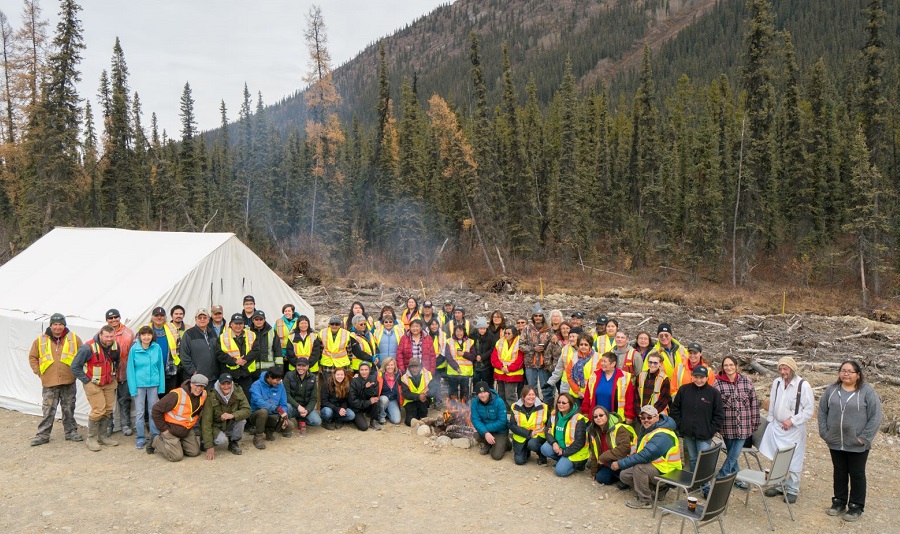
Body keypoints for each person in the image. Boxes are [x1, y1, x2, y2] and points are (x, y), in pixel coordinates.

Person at [818, 360, 882, 522]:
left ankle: (856, 506)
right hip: (835, 440)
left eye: (850, 371)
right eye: (843, 370)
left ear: (858, 375)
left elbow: (876, 416)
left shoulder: (867, 391)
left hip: (857, 443)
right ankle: (838, 502)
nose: (846, 374)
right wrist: (825, 433)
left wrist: (864, 438)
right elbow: (822, 411)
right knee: (839, 472)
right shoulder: (832, 390)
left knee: (857, 474)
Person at [759, 356, 814, 504]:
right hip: (777, 427)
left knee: (794, 459)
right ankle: (778, 484)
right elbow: (773, 403)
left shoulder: (803, 386)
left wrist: (792, 421)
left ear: (792, 369)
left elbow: (809, 410)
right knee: (777, 456)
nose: (783, 372)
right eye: (781, 369)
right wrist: (770, 421)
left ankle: (792, 489)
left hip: (794, 430)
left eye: (786, 369)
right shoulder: (777, 383)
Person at [28, 313, 83, 445]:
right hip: (49, 382)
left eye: (60, 324)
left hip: (68, 380)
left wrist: (77, 372)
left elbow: (83, 355)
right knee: (48, 410)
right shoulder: (40, 340)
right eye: (55, 324)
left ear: (64, 325)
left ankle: (71, 432)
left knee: (69, 408)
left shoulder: (74, 338)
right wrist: (39, 372)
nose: (58, 327)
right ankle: (43, 435)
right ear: (51, 325)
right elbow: (32, 357)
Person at [613, 405, 680, 509]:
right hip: (657, 467)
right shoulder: (649, 429)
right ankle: (659, 489)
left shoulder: (663, 434)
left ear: (657, 417)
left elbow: (645, 455)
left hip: (668, 471)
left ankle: (645, 500)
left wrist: (620, 463)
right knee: (624, 475)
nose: (646, 420)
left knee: (639, 467)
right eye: (643, 418)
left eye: (649, 417)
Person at [71, 325, 121, 451]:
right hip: (93, 383)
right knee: (98, 410)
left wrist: (113, 375)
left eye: (111, 336)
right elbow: (75, 366)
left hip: (109, 382)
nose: (109, 339)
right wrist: (86, 381)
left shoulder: (115, 346)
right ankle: (91, 438)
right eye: (107, 336)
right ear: (100, 335)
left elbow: (116, 361)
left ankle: (102, 436)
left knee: (108, 409)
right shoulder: (87, 348)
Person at [714, 355, 760, 486]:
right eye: (726, 365)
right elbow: (714, 406)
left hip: (744, 426)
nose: (729, 368)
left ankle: (721, 476)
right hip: (727, 426)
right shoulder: (717, 383)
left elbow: (754, 403)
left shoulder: (746, 381)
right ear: (722, 368)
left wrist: (754, 422)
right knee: (732, 454)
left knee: (733, 454)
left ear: (736, 367)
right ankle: (737, 478)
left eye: (731, 365)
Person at [670, 365, 724, 473]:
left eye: (702, 377)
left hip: (704, 434)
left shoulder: (714, 393)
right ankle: (696, 483)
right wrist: (681, 425)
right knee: (693, 458)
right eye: (696, 377)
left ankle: (705, 485)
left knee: (704, 460)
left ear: (707, 378)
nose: (698, 380)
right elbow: (675, 409)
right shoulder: (684, 390)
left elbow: (719, 415)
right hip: (687, 432)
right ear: (692, 376)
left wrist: (711, 430)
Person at [148, 374, 208, 460]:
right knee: (176, 457)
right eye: (197, 385)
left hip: (187, 430)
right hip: (171, 430)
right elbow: (156, 409)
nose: (199, 389)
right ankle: (155, 440)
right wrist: (164, 429)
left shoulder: (204, 395)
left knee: (194, 452)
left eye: (202, 386)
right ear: (191, 384)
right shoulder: (177, 394)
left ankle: (177, 445)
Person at [126, 326, 166, 449]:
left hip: (153, 383)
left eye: (149, 334)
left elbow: (160, 367)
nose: (146, 337)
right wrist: (132, 388)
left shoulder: (156, 348)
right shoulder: (134, 349)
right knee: (139, 412)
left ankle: (154, 436)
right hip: (139, 385)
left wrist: (161, 387)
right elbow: (130, 370)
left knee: (153, 411)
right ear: (140, 336)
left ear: (152, 336)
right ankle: (141, 437)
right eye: (144, 335)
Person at [201, 372, 251, 458]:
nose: (226, 386)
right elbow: (206, 422)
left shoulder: (238, 391)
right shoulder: (211, 395)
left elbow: (247, 410)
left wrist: (233, 415)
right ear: (219, 384)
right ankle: (205, 441)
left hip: (230, 422)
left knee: (242, 420)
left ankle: (233, 442)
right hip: (216, 425)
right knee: (221, 440)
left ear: (232, 383)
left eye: (228, 384)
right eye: (223, 384)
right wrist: (209, 446)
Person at [540, 392, 589, 477]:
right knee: (544, 448)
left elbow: (579, 443)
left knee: (560, 472)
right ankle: (563, 461)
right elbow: (548, 430)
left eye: (564, 403)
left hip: (574, 452)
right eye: (559, 402)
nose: (560, 405)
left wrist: (564, 452)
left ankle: (578, 464)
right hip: (560, 447)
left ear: (570, 404)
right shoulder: (554, 414)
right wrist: (554, 443)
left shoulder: (578, 419)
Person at [581, 351, 636, 424]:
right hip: (597, 418)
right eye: (601, 361)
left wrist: (629, 415)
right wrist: (585, 411)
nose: (602, 364)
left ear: (613, 363)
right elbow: (587, 395)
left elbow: (630, 399)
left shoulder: (624, 377)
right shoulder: (594, 375)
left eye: (605, 361)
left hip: (616, 418)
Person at [587, 405, 636, 485]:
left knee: (614, 469)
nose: (598, 418)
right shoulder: (594, 431)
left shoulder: (619, 428)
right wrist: (594, 472)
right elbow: (594, 453)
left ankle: (625, 479)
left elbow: (624, 449)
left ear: (607, 415)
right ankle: (620, 478)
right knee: (600, 478)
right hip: (608, 461)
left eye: (601, 415)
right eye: (595, 417)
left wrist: (603, 457)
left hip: (624, 460)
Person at [105, 308, 135, 437]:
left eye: (116, 317)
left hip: (124, 372)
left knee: (125, 400)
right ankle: (108, 425)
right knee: (108, 401)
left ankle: (125, 424)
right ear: (107, 320)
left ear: (120, 318)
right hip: (107, 374)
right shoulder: (102, 333)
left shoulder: (128, 333)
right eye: (110, 318)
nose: (113, 320)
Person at [547, 333, 598, 406]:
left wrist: (587, 393)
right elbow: (569, 375)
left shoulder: (598, 357)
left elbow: (598, 378)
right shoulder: (574, 357)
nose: (583, 347)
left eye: (586, 345)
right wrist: (577, 391)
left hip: (591, 393)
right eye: (581, 344)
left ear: (590, 345)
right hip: (576, 393)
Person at [248, 366, 291, 449]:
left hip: (273, 414)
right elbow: (258, 402)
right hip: (257, 416)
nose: (278, 382)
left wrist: (284, 415)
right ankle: (258, 436)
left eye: (280, 380)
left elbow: (283, 403)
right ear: (270, 377)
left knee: (290, 426)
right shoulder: (256, 385)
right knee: (263, 412)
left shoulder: (280, 385)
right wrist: (276, 409)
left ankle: (269, 430)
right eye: (277, 380)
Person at [216, 312, 259, 393]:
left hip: (246, 373)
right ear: (231, 324)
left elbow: (256, 350)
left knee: (246, 400)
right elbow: (219, 354)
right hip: (230, 375)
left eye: (240, 323)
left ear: (244, 324)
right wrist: (235, 361)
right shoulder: (222, 337)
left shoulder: (251, 334)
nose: (238, 326)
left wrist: (244, 360)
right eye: (236, 323)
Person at [180, 308, 220, 387]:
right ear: (195, 319)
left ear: (208, 319)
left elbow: (218, 351)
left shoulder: (212, 332)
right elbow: (184, 355)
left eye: (204, 318)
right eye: (199, 318)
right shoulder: (189, 334)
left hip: (213, 377)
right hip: (197, 378)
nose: (202, 320)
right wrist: (193, 371)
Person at [470, 381, 509, 460]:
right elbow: (475, 419)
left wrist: (486, 430)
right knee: (476, 435)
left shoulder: (499, 402)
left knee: (496, 456)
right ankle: (488, 443)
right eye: (480, 393)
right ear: (477, 394)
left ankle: (506, 443)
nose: (483, 395)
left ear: (489, 392)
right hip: (486, 430)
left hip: (500, 431)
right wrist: (486, 432)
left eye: (484, 392)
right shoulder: (475, 403)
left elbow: (502, 421)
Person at [509, 386, 547, 465]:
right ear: (523, 396)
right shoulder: (515, 407)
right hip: (521, 436)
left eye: (533, 395)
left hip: (537, 435)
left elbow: (548, 424)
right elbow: (512, 426)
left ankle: (542, 456)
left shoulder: (543, 407)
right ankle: (526, 451)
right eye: (529, 395)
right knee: (519, 461)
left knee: (532, 444)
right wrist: (529, 433)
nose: (531, 397)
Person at [522, 304, 553, 399]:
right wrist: (533, 348)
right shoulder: (526, 329)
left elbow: (553, 345)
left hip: (545, 363)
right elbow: (521, 345)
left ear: (543, 317)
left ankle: (548, 406)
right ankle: (534, 406)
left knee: (546, 387)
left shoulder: (549, 329)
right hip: (530, 363)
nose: (538, 318)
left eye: (540, 316)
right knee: (531, 388)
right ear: (533, 317)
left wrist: (546, 350)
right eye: (536, 316)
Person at [249, 310, 293, 376]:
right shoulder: (247, 332)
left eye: (261, 319)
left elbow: (278, 351)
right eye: (256, 319)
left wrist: (279, 368)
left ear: (264, 320)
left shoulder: (272, 332)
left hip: (269, 371)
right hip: (251, 371)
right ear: (253, 320)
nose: (259, 321)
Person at [284, 357, 321, 435]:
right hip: (293, 406)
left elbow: (313, 398)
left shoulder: (313, 377)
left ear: (307, 367)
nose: (301, 368)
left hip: (305, 407)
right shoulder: (289, 375)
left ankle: (301, 418)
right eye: (299, 365)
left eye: (303, 366)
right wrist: (298, 406)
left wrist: (307, 410)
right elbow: (286, 395)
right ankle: (287, 425)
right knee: (286, 407)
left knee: (317, 421)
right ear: (296, 366)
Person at [491, 326, 525, 409]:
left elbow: (520, 360)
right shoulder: (500, 342)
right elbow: (494, 357)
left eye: (509, 333)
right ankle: (504, 411)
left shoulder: (519, 342)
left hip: (513, 374)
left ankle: (515, 411)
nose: (506, 335)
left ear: (514, 334)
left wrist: (509, 369)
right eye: (505, 333)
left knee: (510, 395)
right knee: (501, 394)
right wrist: (501, 367)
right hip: (500, 372)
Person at [148, 307, 180, 391]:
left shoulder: (173, 330)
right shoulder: (145, 330)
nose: (159, 317)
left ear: (165, 317)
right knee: (152, 401)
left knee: (169, 399)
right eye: (156, 315)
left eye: (161, 315)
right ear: (152, 317)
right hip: (151, 372)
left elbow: (179, 348)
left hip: (170, 371)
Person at [634, 351, 671, 416]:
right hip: (642, 416)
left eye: (655, 363)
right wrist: (639, 412)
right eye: (650, 362)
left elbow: (663, 401)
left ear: (660, 364)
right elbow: (636, 397)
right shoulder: (640, 376)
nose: (652, 365)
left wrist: (650, 414)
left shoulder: (664, 379)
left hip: (658, 416)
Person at [444, 324, 475, 399]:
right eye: (457, 331)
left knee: (464, 392)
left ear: (464, 332)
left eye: (460, 331)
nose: (459, 333)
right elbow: (448, 356)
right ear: (454, 332)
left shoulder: (470, 342)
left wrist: (464, 354)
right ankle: (453, 408)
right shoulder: (449, 341)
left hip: (465, 372)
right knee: (452, 391)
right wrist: (456, 367)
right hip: (453, 371)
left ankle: (463, 408)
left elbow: (473, 356)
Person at [349, 361, 382, 430]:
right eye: (362, 370)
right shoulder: (354, 381)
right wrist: (369, 402)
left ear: (369, 370)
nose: (364, 372)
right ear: (359, 371)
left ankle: (374, 421)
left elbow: (375, 394)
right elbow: (353, 401)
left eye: (366, 370)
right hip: (357, 407)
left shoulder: (373, 379)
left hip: (367, 405)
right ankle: (354, 419)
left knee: (376, 400)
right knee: (364, 427)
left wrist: (368, 388)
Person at [400, 358, 433, 426]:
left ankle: (421, 420)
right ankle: (420, 421)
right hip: (410, 401)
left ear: (420, 367)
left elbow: (434, 388)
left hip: (423, 400)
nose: (414, 369)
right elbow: (405, 394)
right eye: (412, 367)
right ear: (409, 368)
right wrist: (418, 396)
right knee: (409, 421)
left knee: (423, 416)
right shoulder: (404, 378)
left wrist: (426, 395)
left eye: (416, 366)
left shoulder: (428, 374)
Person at [472, 316, 497, 389]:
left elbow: (492, 349)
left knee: (487, 384)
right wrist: (475, 356)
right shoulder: (473, 335)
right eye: (480, 329)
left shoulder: (491, 336)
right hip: (475, 364)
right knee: (476, 384)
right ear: (477, 329)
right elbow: (471, 347)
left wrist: (482, 357)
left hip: (486, 365)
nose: (482, 330)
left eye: (484, 329)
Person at [378, 357, 403, 425]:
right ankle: (381, 416)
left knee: (396, 420)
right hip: (383, 399)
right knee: (384, 399)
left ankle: (386, 412)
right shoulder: (379, 374)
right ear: (385, 366)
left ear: (395, 366)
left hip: (393, 400)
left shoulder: (399, 374)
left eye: (392, 365)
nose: (390, 367)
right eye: (388, 365)